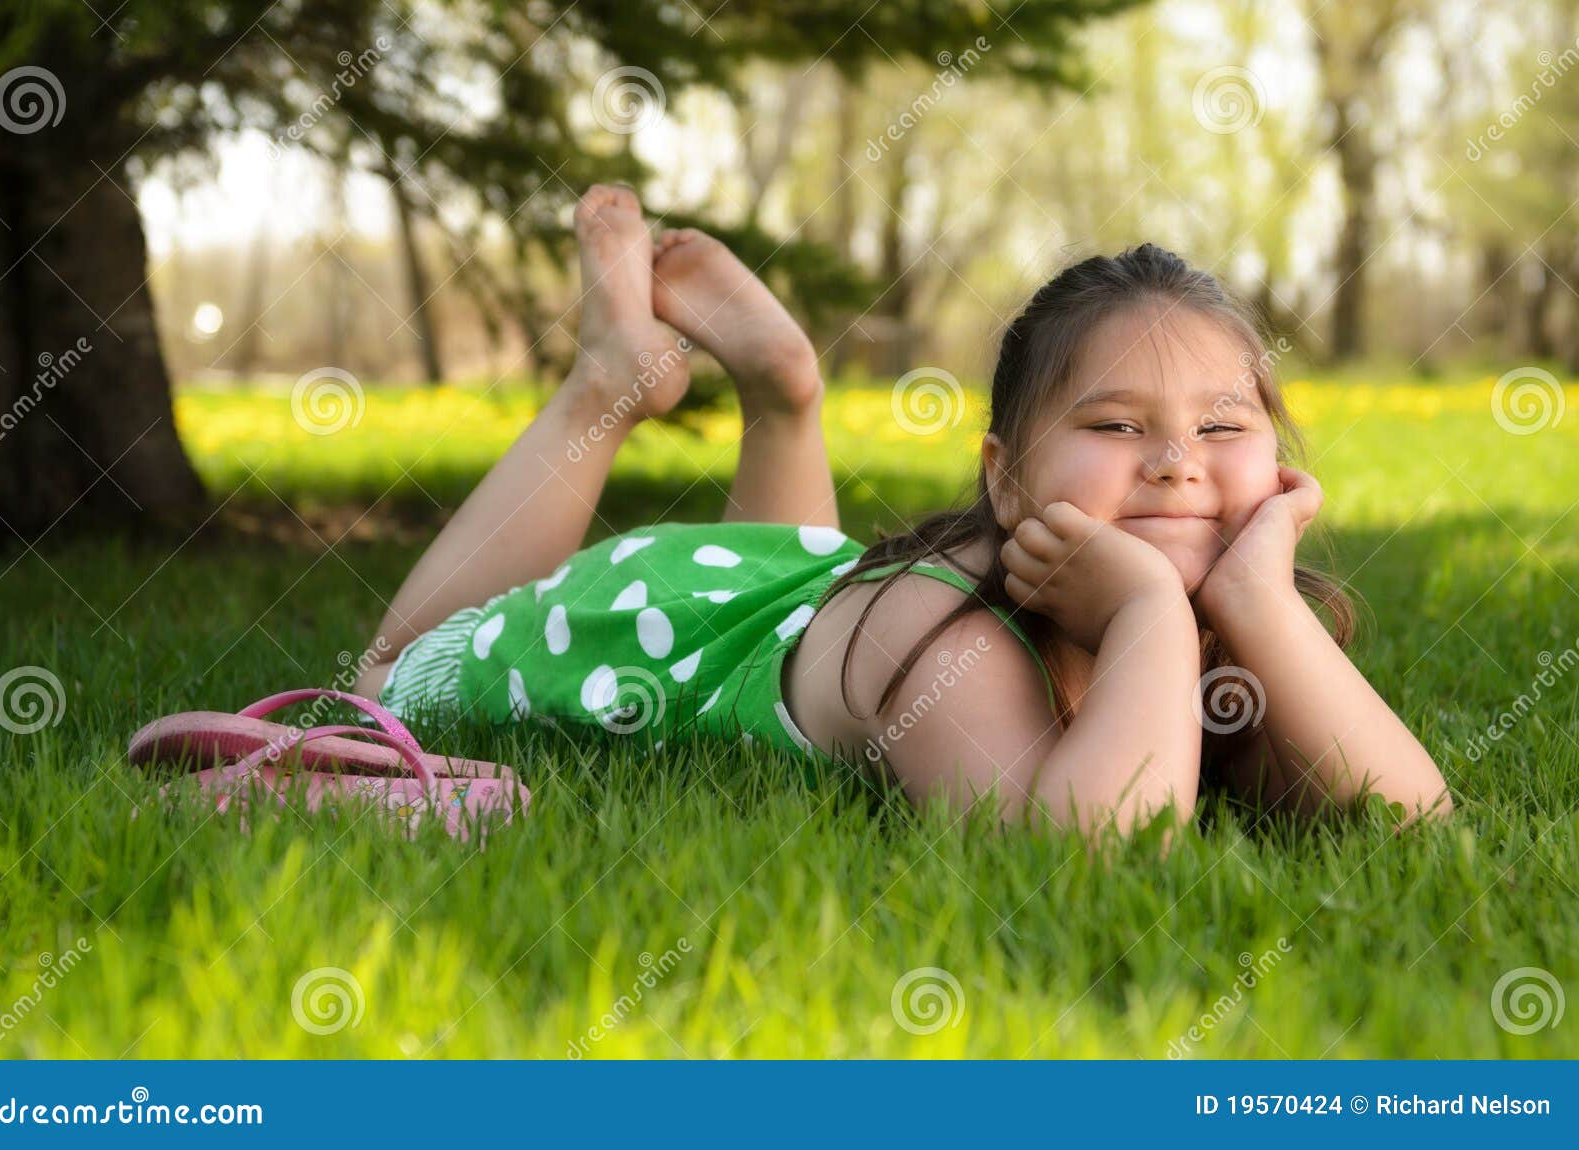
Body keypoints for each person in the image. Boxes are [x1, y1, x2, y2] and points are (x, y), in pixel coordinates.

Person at [355, 184, 1454, 838]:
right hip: (661, 624)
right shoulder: (943, 636)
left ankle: (785, 394)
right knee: (390, 671)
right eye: (1117, 425)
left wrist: (1260, 600)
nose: (1176, 464)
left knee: (801, 566)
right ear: (1006, 481)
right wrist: (1148, 614)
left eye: (1222, 427)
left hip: (795, 591)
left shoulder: (1235, 617)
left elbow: (1409, 819)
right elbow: (1087, 860)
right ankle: (608, 381)